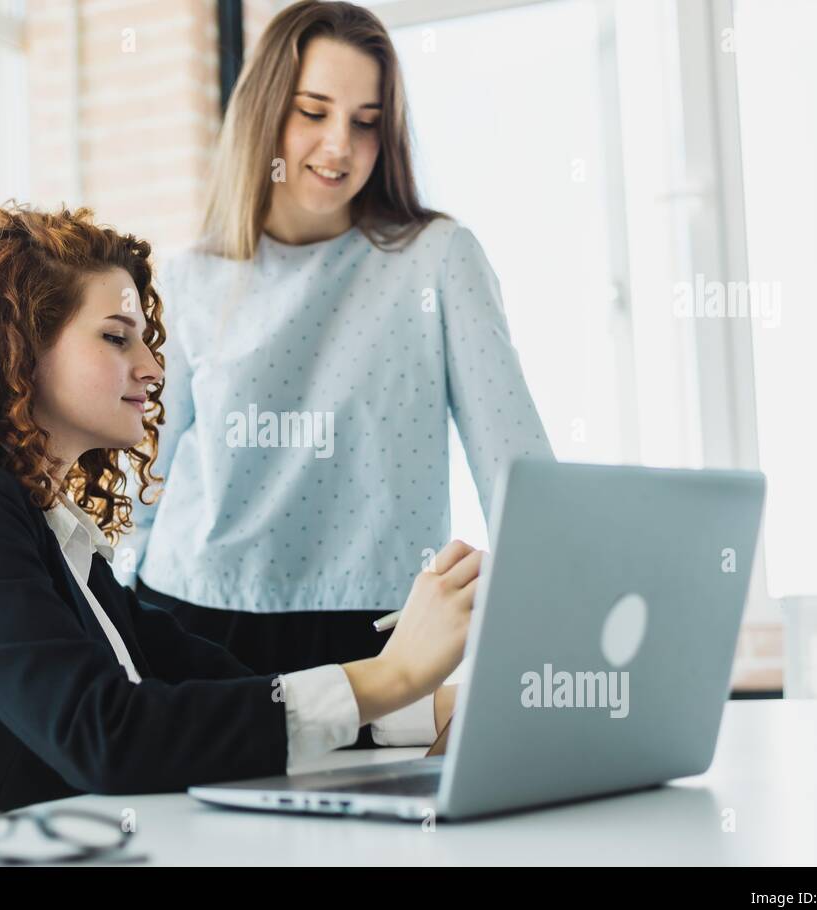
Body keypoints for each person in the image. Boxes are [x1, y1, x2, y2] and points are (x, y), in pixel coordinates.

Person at [0, 204, 480, 847]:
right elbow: (105, 735)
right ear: (20, 350)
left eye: (147, 343)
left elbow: (223, 691)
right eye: (118, 339)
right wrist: (392, 677)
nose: (153, 369)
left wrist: (435, 707)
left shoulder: (57, 545)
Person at [125, 0, 553, 747]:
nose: (339, 145)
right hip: (191, 622)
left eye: (366, 121)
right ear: (264, 114)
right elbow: (144, 483)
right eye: (313, 112)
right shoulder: (191, 279)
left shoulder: (438, 259)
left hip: (378, 637)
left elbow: (518, 472)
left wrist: (551, 639)